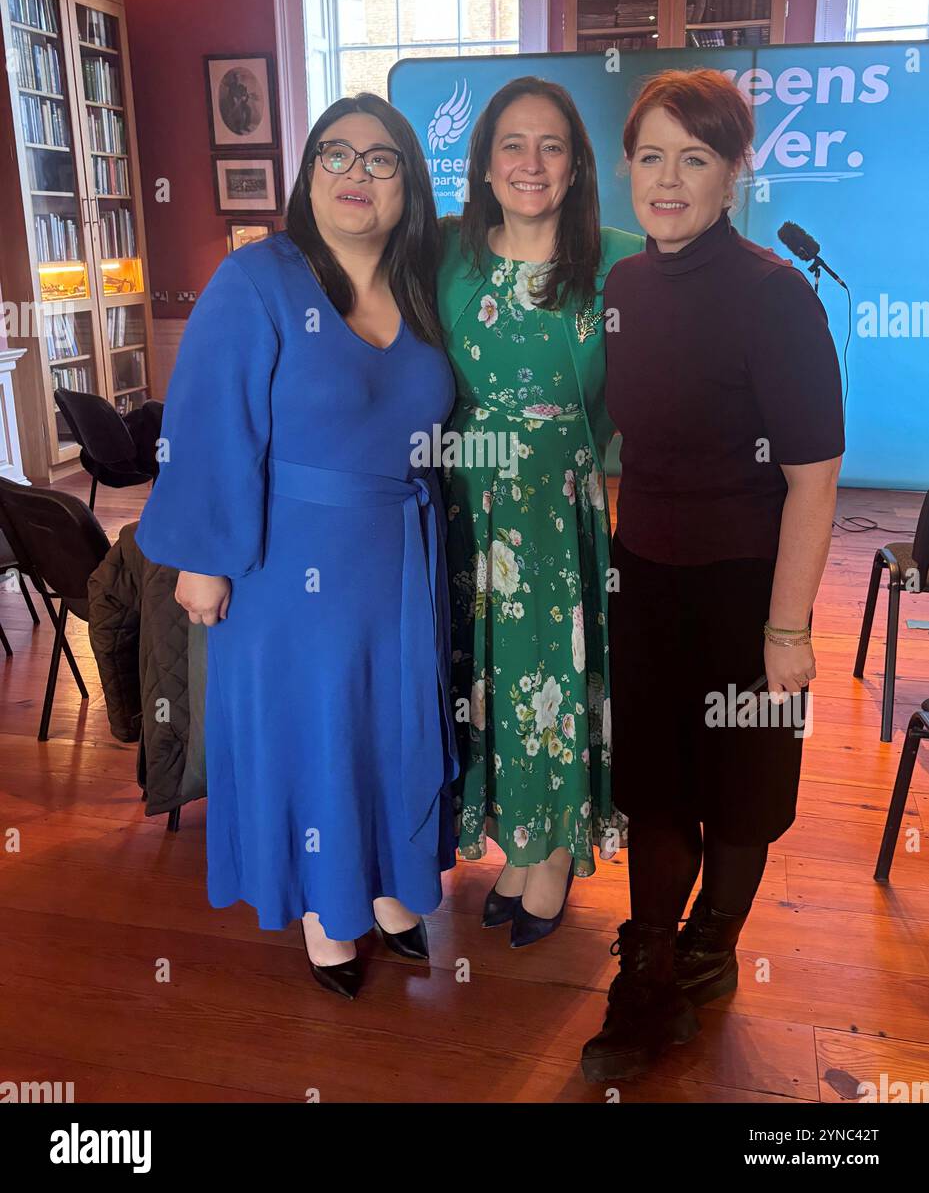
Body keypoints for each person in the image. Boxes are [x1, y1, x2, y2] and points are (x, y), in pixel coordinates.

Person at [135, 93, 458, 1000]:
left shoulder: (424, 285)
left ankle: (393, 887)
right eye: (336, 155)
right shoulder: (258, 280)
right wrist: (202, 559)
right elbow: (208, 421)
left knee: (390, 727)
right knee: (316, 734)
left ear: (409, 184)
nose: (357, 174)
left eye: (382, 159)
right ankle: (327, 910)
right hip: (287, 565)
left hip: (399, 559)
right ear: (307, 173)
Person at [581, 68, 845, 1081]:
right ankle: (646, 959)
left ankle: (706, 951)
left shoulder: (773, 295)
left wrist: (786, 632)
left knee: (737, 788)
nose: (666, 179)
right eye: (649, 155)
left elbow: (813, 482)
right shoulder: (622, 285)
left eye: (693, 158)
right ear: (626, 166)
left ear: (735, 172)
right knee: (654, 784)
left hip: (746, 586)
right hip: (643, 574)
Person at [437, 76, 643, 945]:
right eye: (511, 145)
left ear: (575, 164)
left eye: (550, 145)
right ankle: (513, 845)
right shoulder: (443, 252)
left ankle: (553, 852)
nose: (530, 162)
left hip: (558, 512)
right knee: (480, 681)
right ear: (483, 163)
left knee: (552, 682)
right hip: (461, 500)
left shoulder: (618, 259)